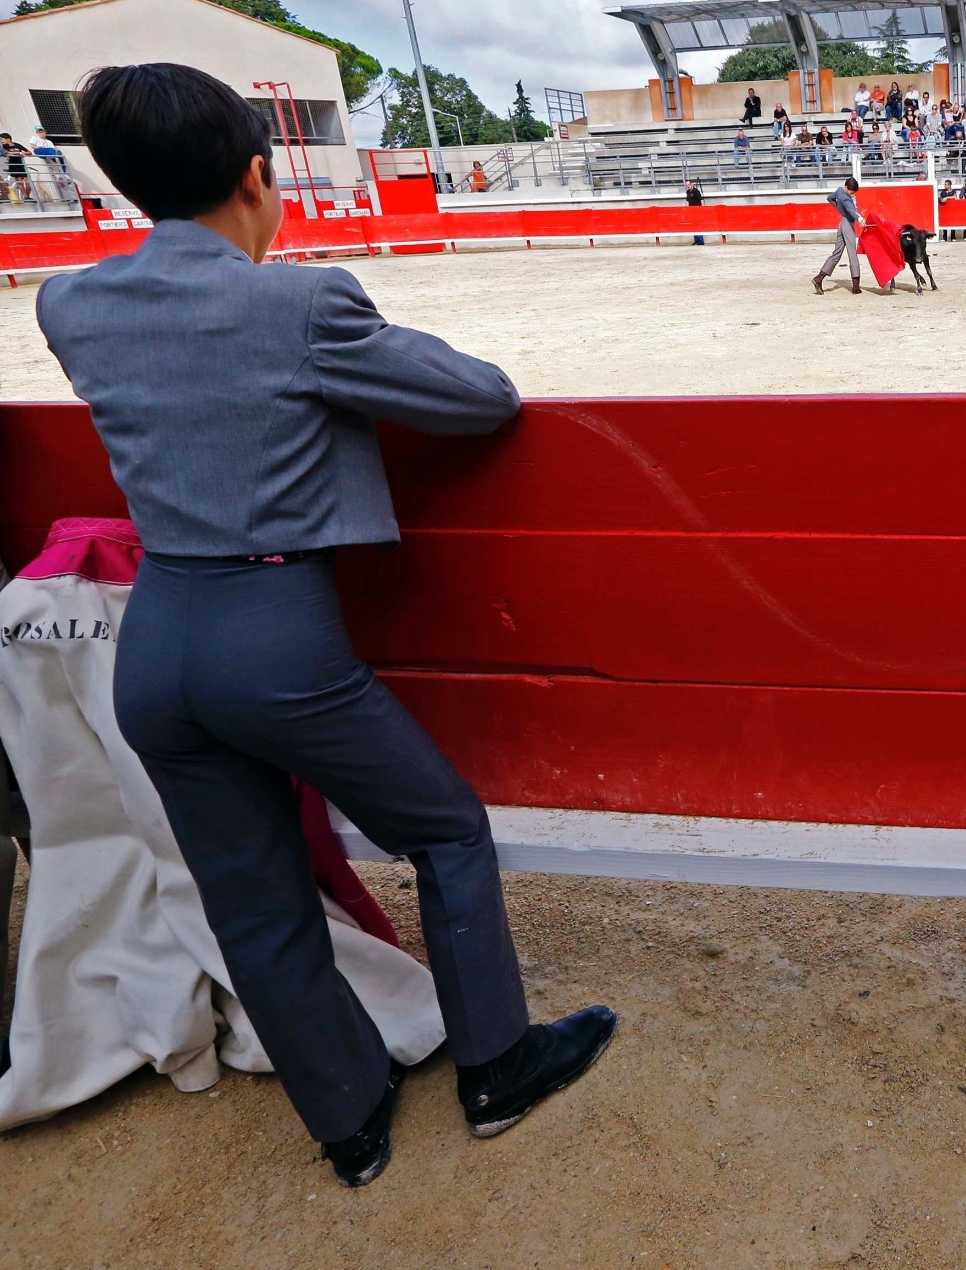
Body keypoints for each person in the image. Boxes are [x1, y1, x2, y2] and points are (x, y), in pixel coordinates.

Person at [35, 63, 616, 1189]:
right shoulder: (302, 305)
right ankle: (498, 1067)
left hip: (153, 644)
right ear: (258, 176)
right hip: (276, 638)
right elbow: (481, 397)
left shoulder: (72, 303)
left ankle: (348, 1124)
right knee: (445, 831)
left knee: (251, 896)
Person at [813, 175, 864, 294]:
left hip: (842, 224)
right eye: (851, 191)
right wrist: (860, 218)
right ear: (846, 187)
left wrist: (840, 210)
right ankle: (856, 287)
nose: (852, 194)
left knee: (836, 253)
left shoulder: (840, 191)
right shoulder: (846, 199)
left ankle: (819, 278)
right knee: (852, 254)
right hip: (848, 224)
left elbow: (830, 198)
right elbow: (851, 211)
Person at [1, 133, 32, 202]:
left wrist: (22, 153)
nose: (1, 141)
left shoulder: (17, 145)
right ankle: (26, 197)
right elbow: (6, 153)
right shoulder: (4, 146)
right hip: (13, 165)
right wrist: (18, 153)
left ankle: (28, 196)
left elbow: (29, 152)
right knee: (19, 180)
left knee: (28, 183)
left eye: (2, 139)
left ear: (8, 139)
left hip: (21, 164)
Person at [685, 178, 705, 244]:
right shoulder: (688, 192)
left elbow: (701, 200)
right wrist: (686, 209)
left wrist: (703, 209)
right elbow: (687, 201)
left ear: (691, 184)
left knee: (698, 225)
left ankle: (700, 241)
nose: (687, 186)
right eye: (686, 185)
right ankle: (696, 240)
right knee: (693, 226)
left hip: (698, 211)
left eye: (688, 185)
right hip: (691, 211)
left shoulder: (696, 191)